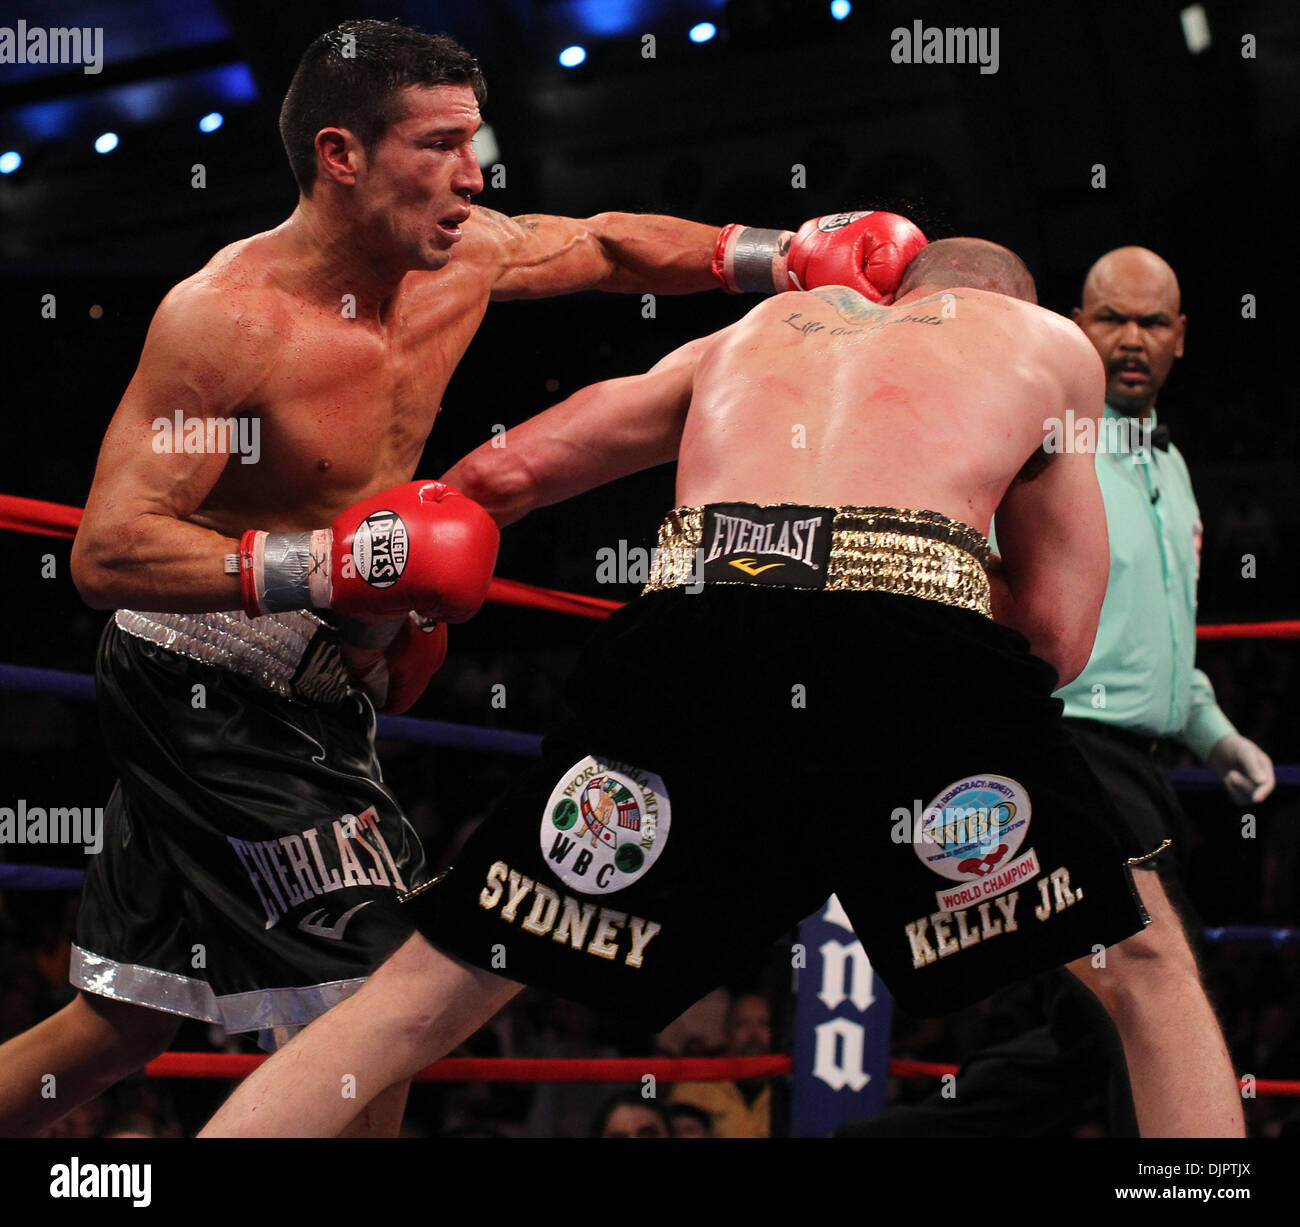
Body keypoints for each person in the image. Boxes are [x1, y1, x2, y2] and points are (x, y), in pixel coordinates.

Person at [0, 17, 924, 1138]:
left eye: (469, 141)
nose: (471, 173)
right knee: (382, 997)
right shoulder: (226, 322)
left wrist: (779, 253)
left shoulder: (463, 256)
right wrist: (334, 567)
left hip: (322, 677)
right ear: (341, 155)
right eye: (436, 145)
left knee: (121, 1022)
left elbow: (601, 246)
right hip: (209, 680)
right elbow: (108, 552)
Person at [202, 237, 1243, 1138]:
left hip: (695, 627)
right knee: (1145, 973)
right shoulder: (1050, 348)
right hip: (906, 639)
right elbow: (1058, 639)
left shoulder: (756, 333)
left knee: (438, 983)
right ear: (1016, 304)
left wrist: (383, 629)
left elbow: (493, 483)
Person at [844, 246, 1268, 1139]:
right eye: (1112, 317)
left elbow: (1169, 650)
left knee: (1094, 1039)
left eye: (1153, 323)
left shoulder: (1175, 470)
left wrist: (1219, 732)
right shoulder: (1042, 444)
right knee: (1164, 990)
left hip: (1145, 768)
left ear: (1181, 338)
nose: (1131, 339)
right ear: (1077, 326)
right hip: (1067, 746)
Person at [670, 992, 774, 1138]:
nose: (753, 1034)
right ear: (726, 1031)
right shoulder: (693, 1086)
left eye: (764, 1024)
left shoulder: (790, 1091)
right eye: (741, 1024)